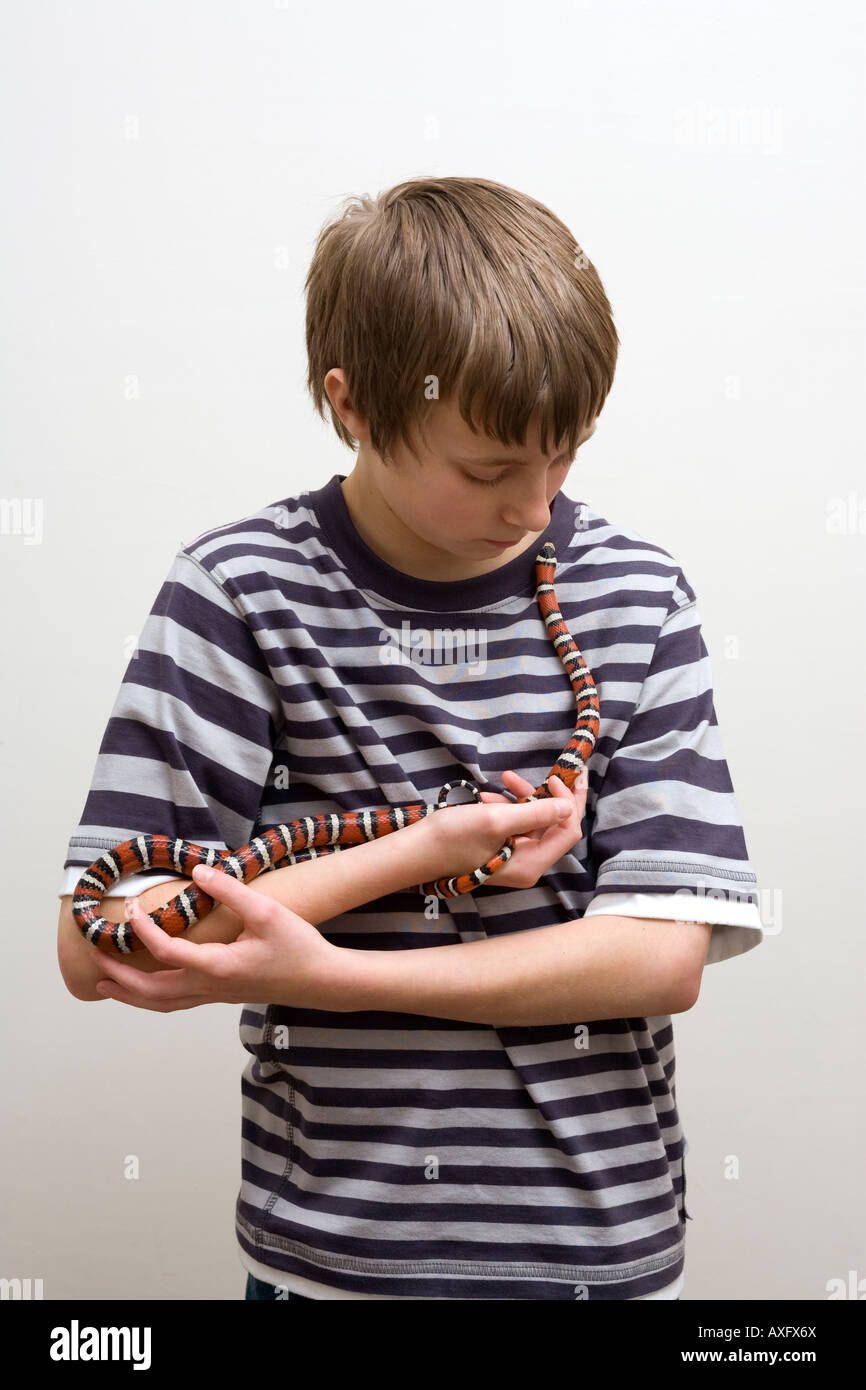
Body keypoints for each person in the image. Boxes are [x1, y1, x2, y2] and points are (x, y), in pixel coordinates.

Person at [57, 175, 763, 1301]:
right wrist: (426, 851)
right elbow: (107, 944)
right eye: (487, 469)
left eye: (565, 454)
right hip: (330, 1269)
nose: (533, 506)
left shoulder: (635, 592)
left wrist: (333, 974)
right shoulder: (237, 592)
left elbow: (658, 957)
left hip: (603, 1260)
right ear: (354, 405)